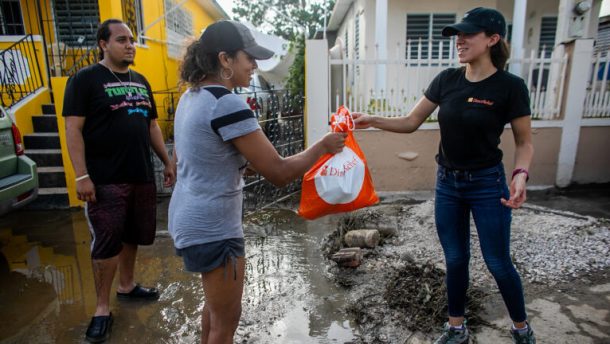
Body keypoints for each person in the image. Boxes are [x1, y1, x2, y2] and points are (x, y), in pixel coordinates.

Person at [352, 8, 536, 344]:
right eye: (457, 35)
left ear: (492, 40)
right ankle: (456, 328)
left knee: (497, 262)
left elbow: (524, 142)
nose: (460, 40)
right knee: (455, 258)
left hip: (487, 184)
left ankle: (522, 328)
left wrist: (520, 174)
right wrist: (373, 120)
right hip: (448, 183)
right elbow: (411, 122)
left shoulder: (510, 87)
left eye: (469, 34)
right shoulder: (447, 80)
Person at [168, 20, 346, 344]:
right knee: (226, 321)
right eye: (248, 57)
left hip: (187, 218)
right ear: (225, 59)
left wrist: (237, 165)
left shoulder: (191, 98)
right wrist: (323, 146)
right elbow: (279, 172)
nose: (255, 65)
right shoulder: (227, 104)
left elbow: (196, 155)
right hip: (214, 228)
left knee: (214, 309)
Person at [63, 19, 175, 343]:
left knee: (132, 236)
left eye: (132, 40)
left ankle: (126, 286)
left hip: (140, 173)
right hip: (104, 179)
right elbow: (73, 130)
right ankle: (100, 309)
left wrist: (166, 161)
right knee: (106, 242)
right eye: (122, 40)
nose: (130, 45)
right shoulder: (85, 80)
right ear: (103, 43)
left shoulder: (141, 81)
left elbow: (152, 125)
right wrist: (82, 175)